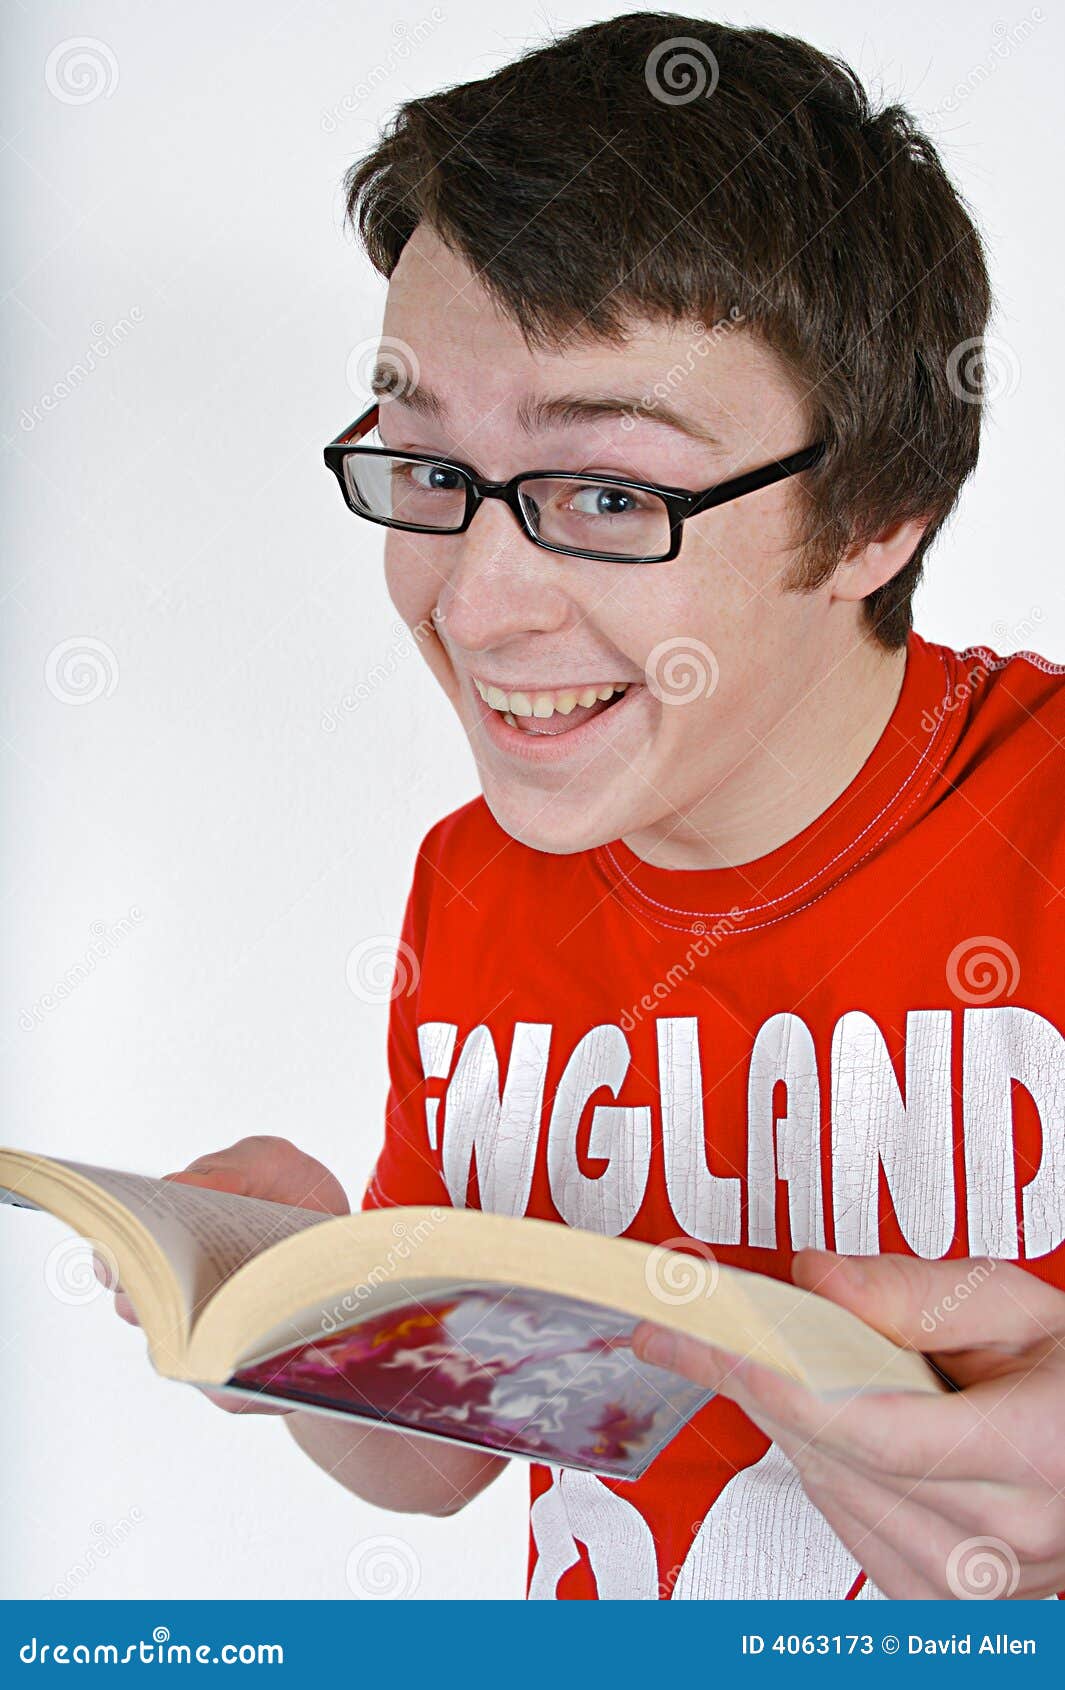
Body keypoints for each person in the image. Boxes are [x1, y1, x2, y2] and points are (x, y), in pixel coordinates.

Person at [112, 13, 1065, 1599]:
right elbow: (463, 1448)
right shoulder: (476, 880)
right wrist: (298, 1319)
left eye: (608, 493)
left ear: (877, 512)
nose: (474, 603)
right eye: (428, 470)